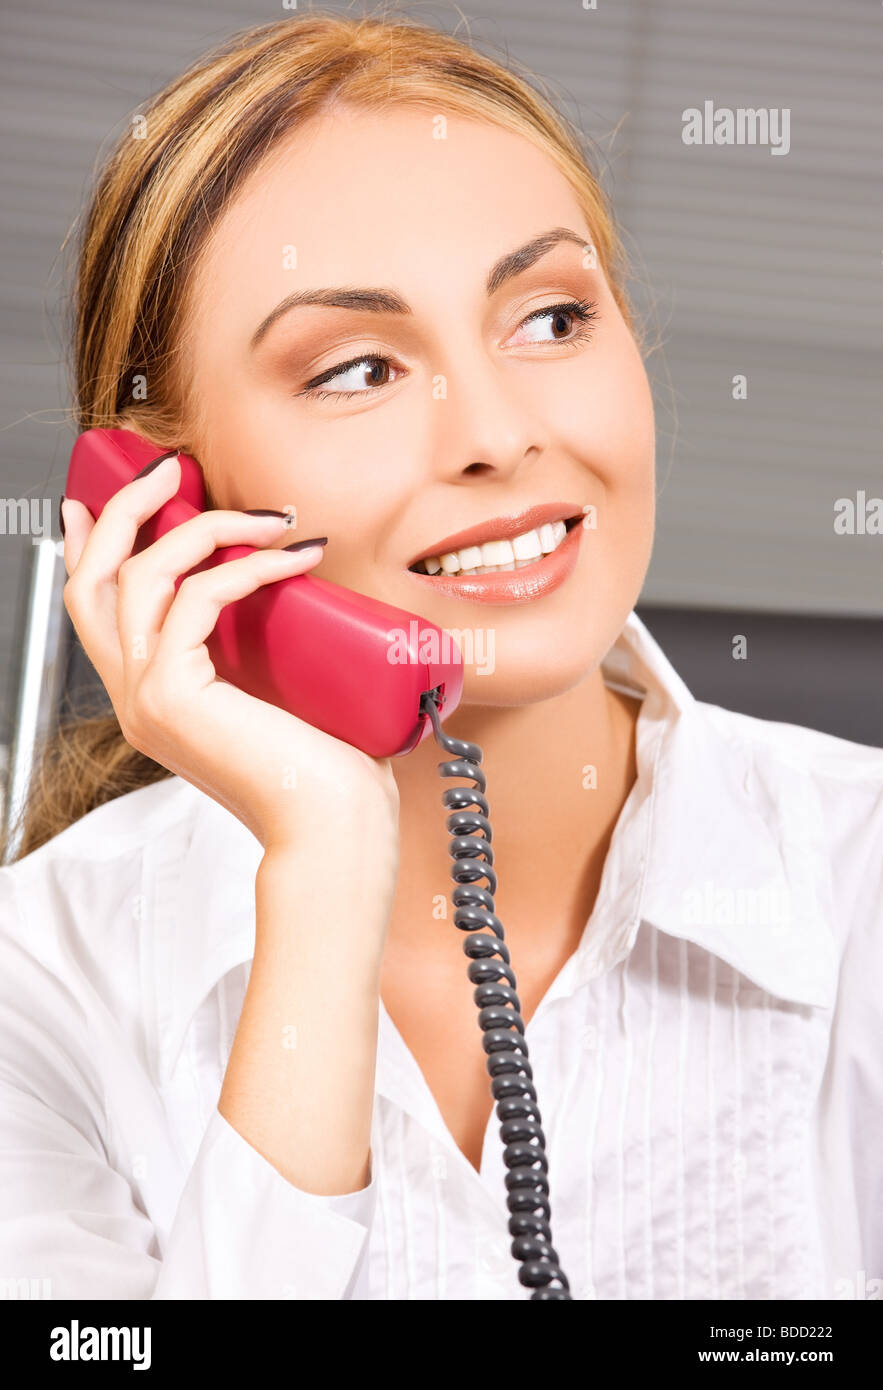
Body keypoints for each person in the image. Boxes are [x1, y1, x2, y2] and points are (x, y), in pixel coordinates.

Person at [0, 11, 880, 1302]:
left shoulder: (860, 881)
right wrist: (324, 865)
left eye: (551, 319)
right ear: (163, 500)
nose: (497, 432)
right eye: (358, 368)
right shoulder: (41, 982)